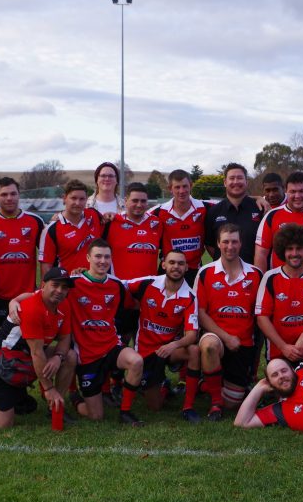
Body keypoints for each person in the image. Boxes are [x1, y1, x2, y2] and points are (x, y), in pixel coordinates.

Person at [0, 267, 77, 428]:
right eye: (55, 285)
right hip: (2, 363)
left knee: (70, 356)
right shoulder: (32, 308)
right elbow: (37, 353)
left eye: (64, 287)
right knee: (2, 422)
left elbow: (65, 337)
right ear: (43, 284)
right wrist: (49, 388)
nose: (60, 291)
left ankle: (55, 407)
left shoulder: (63, 304)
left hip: (26, 360)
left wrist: (58, 356)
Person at [66, 239, 144, 425]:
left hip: (110, 346)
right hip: (85, 354)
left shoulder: (117, 285)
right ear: (88, 258)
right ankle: (75, 399)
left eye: (107, 257)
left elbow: (132, 304)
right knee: (96, 416)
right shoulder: (72, 283)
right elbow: (43, 295)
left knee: (136, 361)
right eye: (98, 256)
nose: (102, 261)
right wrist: (15, 302)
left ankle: (125, 411)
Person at [195, 223, 263, 420]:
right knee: (209, 346)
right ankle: (215, 403)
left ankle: (206, 383)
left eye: (234, 241)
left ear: (241, 244)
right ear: (218, 244)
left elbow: (258, 317)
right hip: (217, 338)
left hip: (243, 344)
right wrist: (226, 337)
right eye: (225, 242)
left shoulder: (256, 274)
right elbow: (200, 313)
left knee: (233, 403)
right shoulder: (206, 273)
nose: (230, 246)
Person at [126, 251, 202, 422]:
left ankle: (188, 407)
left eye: (181, 263)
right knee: (155, 407)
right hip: (145, 352)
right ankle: (163, 387)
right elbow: (118, 285)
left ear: (186, 267)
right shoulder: (147, 283)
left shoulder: (190, 296)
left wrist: (173, 345)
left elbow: (192, 335)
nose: (176, 267)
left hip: (169, 351)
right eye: (172, 262)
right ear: (164, 265)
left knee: (194, 351)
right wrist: (81, 276)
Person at [255, 224, 303, 365]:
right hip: (279, 353)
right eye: (290, 249)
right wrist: (283, 347)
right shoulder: (270, 278)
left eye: (299, 249)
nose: (294, 253)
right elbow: (262, 318)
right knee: (283, 382)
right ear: (282, 251)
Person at [0, 177, 44, 327]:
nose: (9, 198)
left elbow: (48, 256)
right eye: (4, 195)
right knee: (3, 340)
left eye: (13, 194)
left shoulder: (35, 221)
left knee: (29, 337)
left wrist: (44, 283)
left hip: (28, 294)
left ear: (19, 195)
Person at [103, 182, 162, 345]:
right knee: (119, 344)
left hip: (148, 295)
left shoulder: (157, 223)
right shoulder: (111, 222)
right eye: (135, 200)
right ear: (125, 201)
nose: (139, 205)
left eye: (143, 201)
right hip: (120, 294)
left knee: (146, 345)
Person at [153, 169, 210, 286]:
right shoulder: (159, 211)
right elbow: (134, 214)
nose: (182, 191)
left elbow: (231, 201)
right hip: (169, 270)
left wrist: (256, 198)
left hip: (194, 271)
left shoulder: (204, 207)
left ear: (191, 185)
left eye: (185, 186)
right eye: (177, 187)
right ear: (170, 188)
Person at [39, 179, 104, 276]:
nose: (77, 203)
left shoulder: (93, 215)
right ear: (64, 198)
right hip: (69, 287)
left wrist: (109, 215)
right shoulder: (52, 229)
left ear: (86, 199)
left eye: (82, 199)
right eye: (73, 198)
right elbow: (46, 267)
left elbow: (108, 222)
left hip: (95, 285)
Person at [205, 163, 264, 264]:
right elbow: (210, 246)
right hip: (222, 275)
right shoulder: (213, 211)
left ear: (246, 181)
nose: (236, 182)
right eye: (232, 178)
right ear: (225, 182)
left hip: (253, 274)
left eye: (240, 178)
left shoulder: (260, 208)